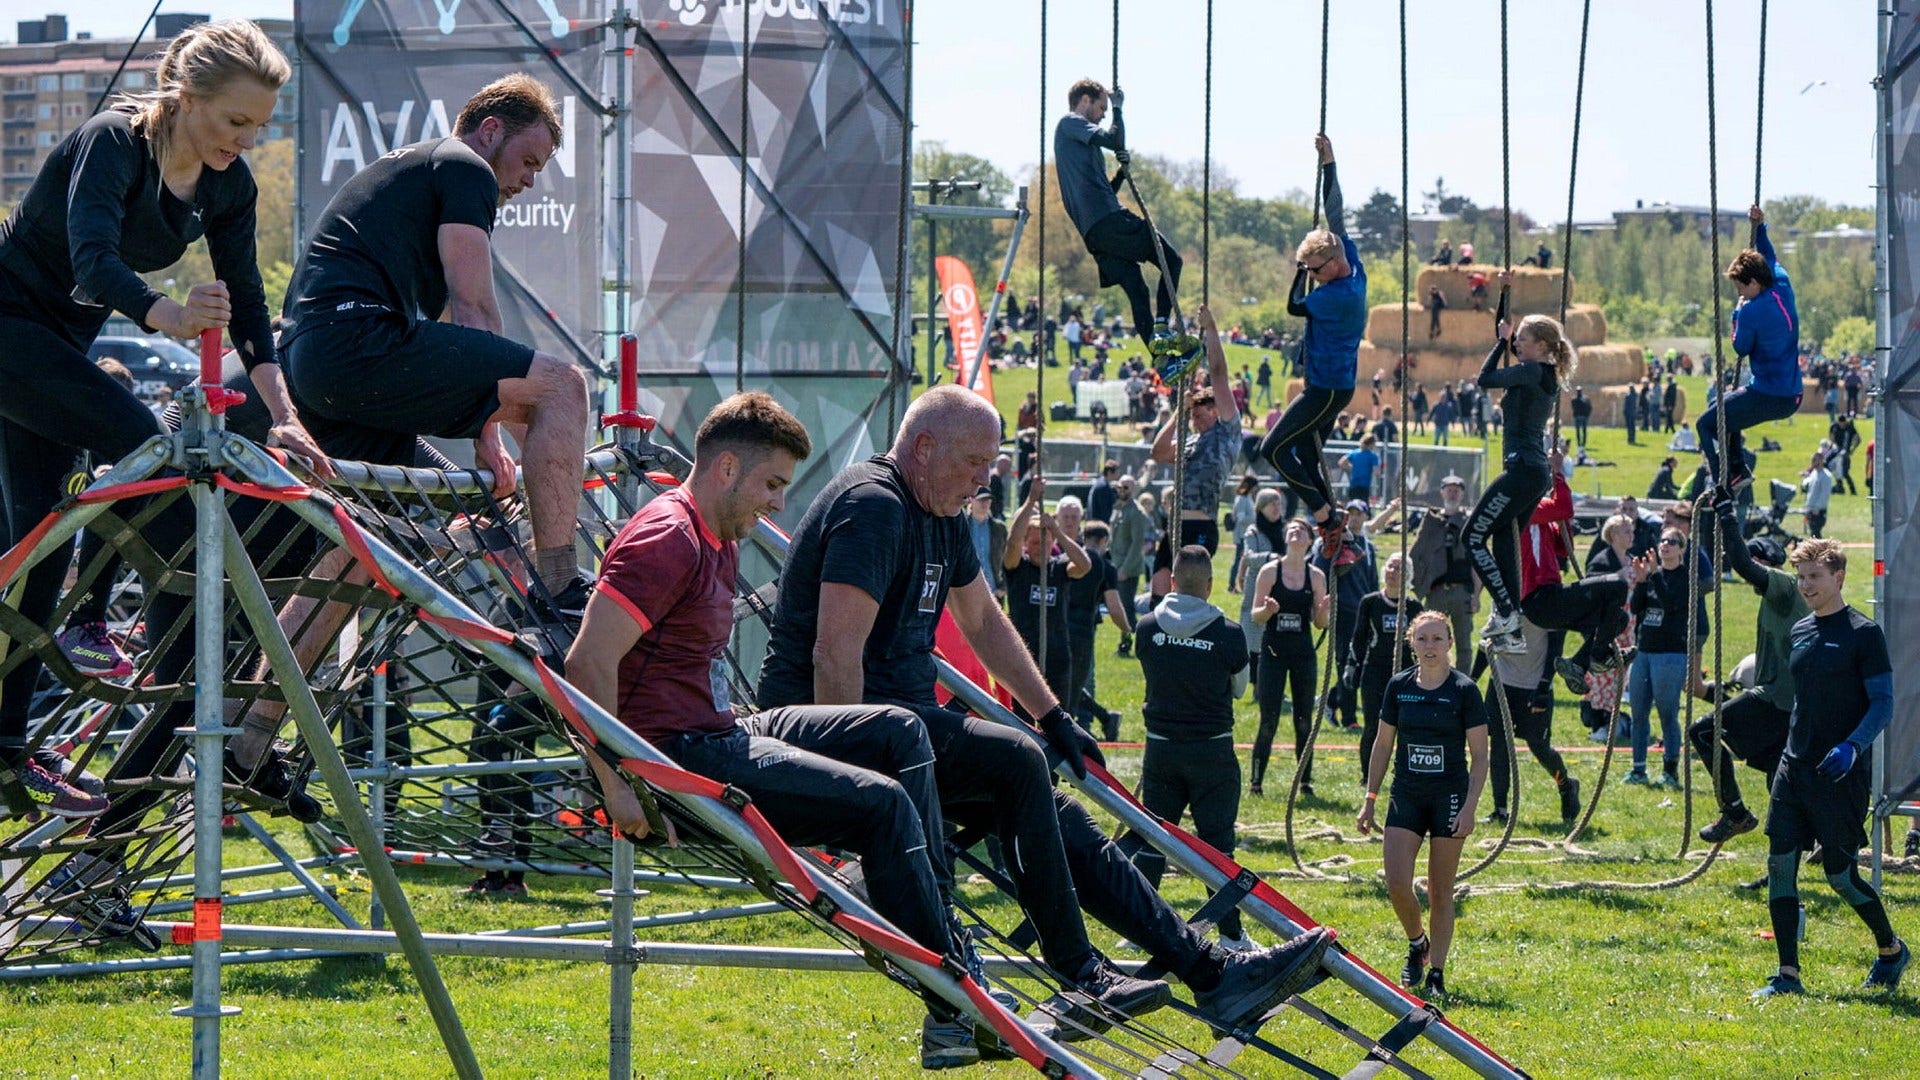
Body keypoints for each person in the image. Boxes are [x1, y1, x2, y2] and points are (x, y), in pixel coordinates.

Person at [756, 385, 1333, 1047]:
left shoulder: (939, 512)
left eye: (989, 464)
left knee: (1058, 816)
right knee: (1015, 759)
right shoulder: (875, 506)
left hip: (901, 731)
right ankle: (1081, 973)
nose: (985, 478)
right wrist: (846, 793)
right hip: (835, 736)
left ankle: (1211, 974)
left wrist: (1052, 712)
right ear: (923, 448)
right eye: (974, 462)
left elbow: (981, 620)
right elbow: (834, 656)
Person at [563, 394, 986, 1062]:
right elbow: (586, 661)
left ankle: (949, 944)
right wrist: (615, 782)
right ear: (726, 468)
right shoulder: (666, 538)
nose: (779, 504)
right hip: (676, 760)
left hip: (720, 731)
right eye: (772, 485)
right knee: (881, 804)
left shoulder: (718, 535)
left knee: (901, 730)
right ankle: (951, 1001)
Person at [218, 75, 594, 794]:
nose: (525, 182)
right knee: (563, 387)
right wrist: (487, 421)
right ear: (490, 129)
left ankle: (249, 734)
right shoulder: (461, 166)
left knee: (366, 553)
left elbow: (450, 335)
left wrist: (482, 419)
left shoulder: (411, 176)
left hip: (324, 367)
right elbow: (475, 308)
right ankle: (557, 590)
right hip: (354, 347)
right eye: (528, 162)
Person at [0, 21, 320, 820]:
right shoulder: (112, 142)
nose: (246, 141)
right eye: (234, 122)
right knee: (146, 451)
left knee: (41, 540)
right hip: (8, 328)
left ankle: (7, 753)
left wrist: (286, 417)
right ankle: (88, 629)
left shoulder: (227, 185)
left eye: (260, 127)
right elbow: (92, 260)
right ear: (185, 98)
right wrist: (168, 315)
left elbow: (250, 305)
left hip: (52, 349)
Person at [1751, 538, 1909, 998]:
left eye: (1814, 577)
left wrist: (1852, 747)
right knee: (1780, 863)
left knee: (1839, 876)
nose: (1806, 586)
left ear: (1838, 577)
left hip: (1840, 774)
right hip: (1794, 767)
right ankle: (1788, 976)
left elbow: (1883, 704)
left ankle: (1890, 950)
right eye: (1801, 578)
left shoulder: (1863, 633)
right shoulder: (1800, 630)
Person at [1122, 546, 1254, 947]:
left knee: (1153, 838)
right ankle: (1231, 935)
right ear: (1210, 586)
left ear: (1173, 582)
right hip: (1212, 752)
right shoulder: (1230, 634)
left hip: (1161, 750)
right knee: (1217, 847)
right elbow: (1240, 689)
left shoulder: (1146, 627)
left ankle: (1139, 928)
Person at [1356, 610, 1489, 1001]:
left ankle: (1437, 972)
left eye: (1437, 639)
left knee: (1440, 890)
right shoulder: (1398, 687)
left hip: (1449, 796)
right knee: (1397, 882)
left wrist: (1469, 806)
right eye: (1422, 639)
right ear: (1410, 643)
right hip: (1408, 794)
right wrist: (1370, 799)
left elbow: (1480, 756)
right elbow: (1382, 745)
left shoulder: (1464, 690)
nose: (1429, 647)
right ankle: (1417, 943)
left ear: (1450, 643)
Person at [1258, 134, 1366, 569]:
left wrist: (1299, 275)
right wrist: (1330, 166)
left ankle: (1325, 517)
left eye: (1315, 271)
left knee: (1274, 450)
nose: (1313, 276)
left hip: (1324, 389)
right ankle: (1337, 532)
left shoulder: (1333, 295)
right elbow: (1334, 212)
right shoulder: (1351, 263)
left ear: (1330, 266)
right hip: (1334, 386)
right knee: (1304, 453)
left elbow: (1292, 305)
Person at [1689, 503, 1807, 845]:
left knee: (1703, 732)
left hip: (1777, 699)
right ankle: (1796, 856)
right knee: (1779, 782)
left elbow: (1741, 562)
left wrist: (1726, 514)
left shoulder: (1783, 587)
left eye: (1758, 565)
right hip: (1784, 703)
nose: (1748, 574)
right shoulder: (1774, 597)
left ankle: (1736, 813)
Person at [1465, 291, 1574, 655]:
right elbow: (1506, 332)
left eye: (1523, 338)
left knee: (1472, 537)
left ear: (1541, 345)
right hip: (1533, 470)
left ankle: (1508, 612)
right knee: (1504, 541)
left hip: (1525, 469)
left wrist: (1498, 343)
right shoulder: (1541, 371)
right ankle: (1511, 629)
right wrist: (1506, 291)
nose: (1516, 342)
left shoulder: (1530, 371)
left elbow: (1485, 379)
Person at [1053, 79, 1190, 363]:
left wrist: (1119, 176)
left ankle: (1162, 360)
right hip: (1108, 222)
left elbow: (1102, 192)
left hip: (1096, 233)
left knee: (1137, 289)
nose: (1103, 114)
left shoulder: (1080, 145)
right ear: (1086, 100)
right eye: (1101, 107)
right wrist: (1118, 108)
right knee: (1171, 260)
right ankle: (1162, 326)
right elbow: (1115, 140)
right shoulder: (1070, 123)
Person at [1699, 206, 1801, 499]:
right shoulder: (1780, 281)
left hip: (1770, 395)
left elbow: (1740, 347)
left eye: (1741, 288)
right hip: (1790, 391)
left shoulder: (1752, 311)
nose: (1740, 294)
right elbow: (1769, 254)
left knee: (1707, 424)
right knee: (1725, 412)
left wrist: (1736, 314)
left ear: (1754, 282)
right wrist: (1760, 227)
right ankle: (1738, 469)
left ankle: (1724, 481)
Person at [1147, 306, 1240, 598]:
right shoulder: (1189, 441)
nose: (1195, 421)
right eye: (1193, 417)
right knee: (1159, 593)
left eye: (1200, 415)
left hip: (1200, 524)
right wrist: (1179, 413)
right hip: (1174, 525)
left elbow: (1219, 375)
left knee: (1190, 594)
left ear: (1216, 410)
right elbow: (1158, 451)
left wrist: (1211, 330)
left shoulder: (1226, 432)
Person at [1248, 519, 1331, 796]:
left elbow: (1320, 624)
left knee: (1303, 720)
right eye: (1291, 530)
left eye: (1302, 530)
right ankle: (1256, 783)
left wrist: (1323, 610)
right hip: (1272, 655)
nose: (1296, 533)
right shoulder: (1270, 572)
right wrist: (1268, 611)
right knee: (1268, 719)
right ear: (1285, 538)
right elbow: (1254, 616)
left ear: (1309, 540)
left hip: (1303, 656)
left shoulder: (1316, 576)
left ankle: (1304, 783)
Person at [1625, 529, 1708, 787]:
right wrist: (1640, 582)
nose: (1665, 545)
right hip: (1644, 651)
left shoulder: (1687, 579)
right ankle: (1638, 769)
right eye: (1662, 541)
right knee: (1638, 712)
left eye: (1672, 542)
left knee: (1667, 714)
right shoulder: (1652, 575)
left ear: (1682, 549)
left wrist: (1652, 577)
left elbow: (1672, 604)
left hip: (1671, 654)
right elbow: (1637, 609)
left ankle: (1670, 771)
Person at [1004, 485, 1091, 709]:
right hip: (1022, 657)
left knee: (1060, 715)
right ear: (1026, 544)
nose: (1040, 548)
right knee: (1022, 716)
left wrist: (1058, 532)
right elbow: (1013, 541)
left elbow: (1084, 565)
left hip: (1057, 655)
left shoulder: (1059, 568)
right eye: (1034, 543)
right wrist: (1031, 500)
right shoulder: (1017, 567)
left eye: (1045, 542)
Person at [1348, 553, 1422, 789]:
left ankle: (1404, 773)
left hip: (1405, 674)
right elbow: (1359, 638)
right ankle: (1366, 775)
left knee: (1407, 726)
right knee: (1373, 725)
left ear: (1408, 575)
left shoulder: (1414, 606)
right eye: (1391, 567)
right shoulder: (1370, 602)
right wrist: (1352, 667)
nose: (1393, 572)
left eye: (1399, 568)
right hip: (1374, 672)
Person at [1057, 502, 1128, 740]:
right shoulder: (1105, 567)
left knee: (1068, 683)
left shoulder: (1068, 558)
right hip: (1084, 630)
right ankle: (1097, 722)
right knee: (1077, 682)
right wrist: (1127, 630)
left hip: (1060, 626)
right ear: (1104, 541)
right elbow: (1115, 607)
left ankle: (1098, 720)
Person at [1409, 474, 1478, 670]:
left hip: (1461, 591)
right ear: (1442, 492)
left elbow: (1476, 562)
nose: (1453, 492)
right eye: (1449, 489)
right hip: (1435, 591)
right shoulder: (1431, 521)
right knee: (1428, 639)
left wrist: (1476, 595)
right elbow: (1416, 553)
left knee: (1464, 644)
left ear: (1462, 493)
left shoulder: (1469, 522)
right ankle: (1430, 677)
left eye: (1457, 489)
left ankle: (1463, 684)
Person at [1109, 475, 1148, 649]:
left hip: (1128, 568)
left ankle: (1130, 642)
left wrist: (1125, 569)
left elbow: (1137, 543)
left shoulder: (1136, 512)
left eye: (1126, 488)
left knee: (1126, 607)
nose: (1122, 491)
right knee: (1119, 605)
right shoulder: (1119, 508)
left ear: (1133, 490)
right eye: (1120, 487)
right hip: (1116, 564)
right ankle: (1126, 639)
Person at [966, 487, 1009, 601]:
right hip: (967, 592)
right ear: (971, 500)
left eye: (987, 500)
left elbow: (1008, 559)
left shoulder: (1000, 528)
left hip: (994, 592)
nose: (985, 503)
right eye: (981, 500)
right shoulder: (963, 526)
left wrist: (1004, 586)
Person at [1801, 451, 1833, 539]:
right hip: (1810, 508)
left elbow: (1825, 494)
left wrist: (1817, 508)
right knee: (1813, 533)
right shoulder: (1814, 473)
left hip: (1818, 510)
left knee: (1816, 533)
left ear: (1821, 460)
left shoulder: (1826, 476)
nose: (1812, 462)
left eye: (1815, 460)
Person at [1345, 435, 1381, 510]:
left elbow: (1341, 462)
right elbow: (1376, 471)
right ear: (1371, 444)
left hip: (1353, 485)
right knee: (1363, 508)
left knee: (1352, 507)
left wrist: (1352, 468)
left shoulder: (1354, 453)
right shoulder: (1372, 456)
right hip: (1364, 485)